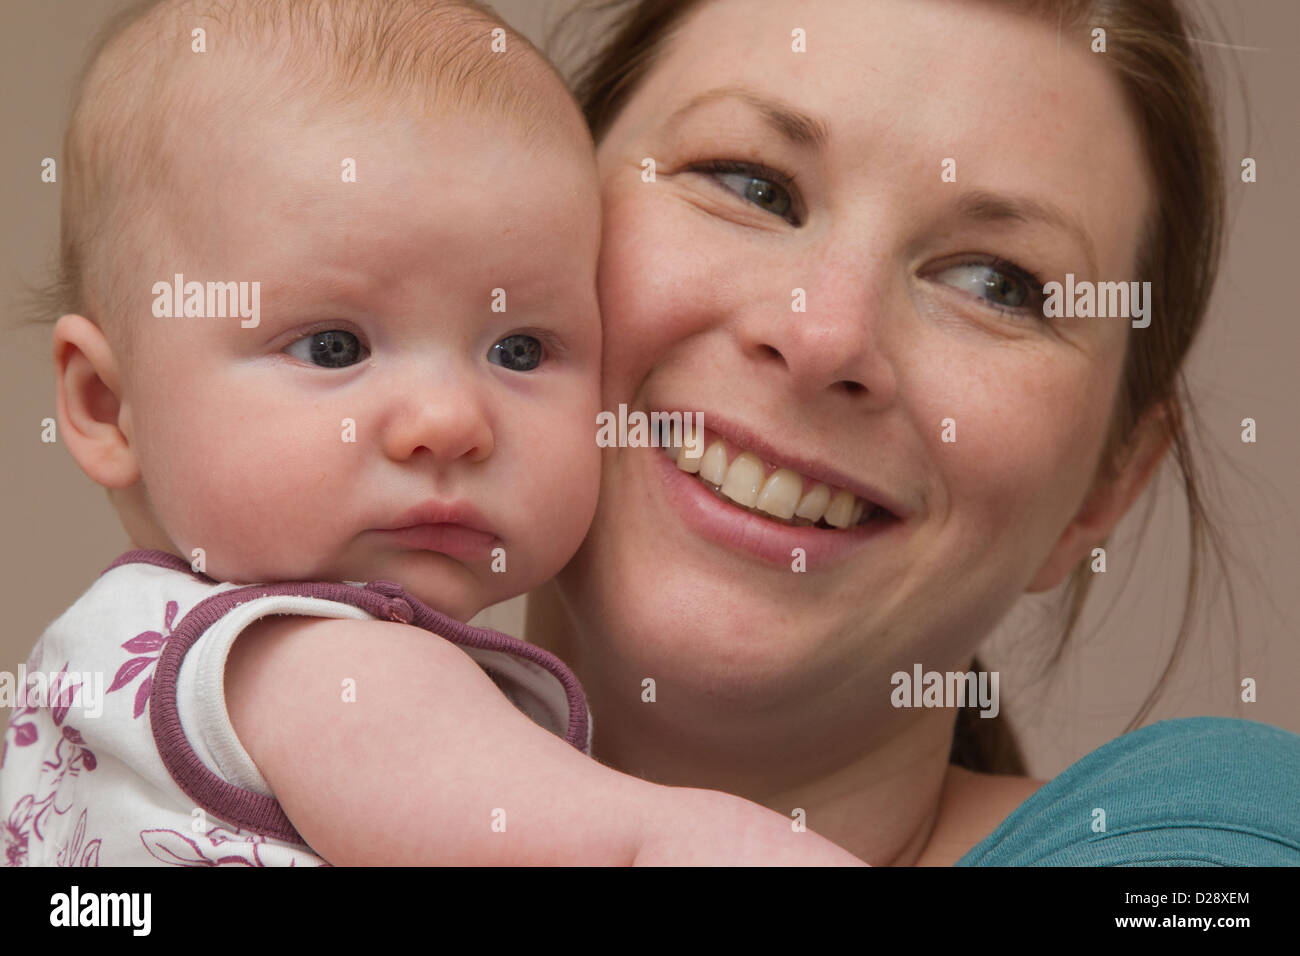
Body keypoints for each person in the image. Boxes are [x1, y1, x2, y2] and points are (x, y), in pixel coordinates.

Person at [0, 0, 863, 867]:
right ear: (108, 406)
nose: (452, 423)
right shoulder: (314, 664)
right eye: (334, 347)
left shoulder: (109, 661)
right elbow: (633, 851)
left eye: (518, 350)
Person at [524, 0, 1300, 865]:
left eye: (997, 284)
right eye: (753, 185)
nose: (825, 336)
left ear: (1105, 492)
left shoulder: (1203, 859)